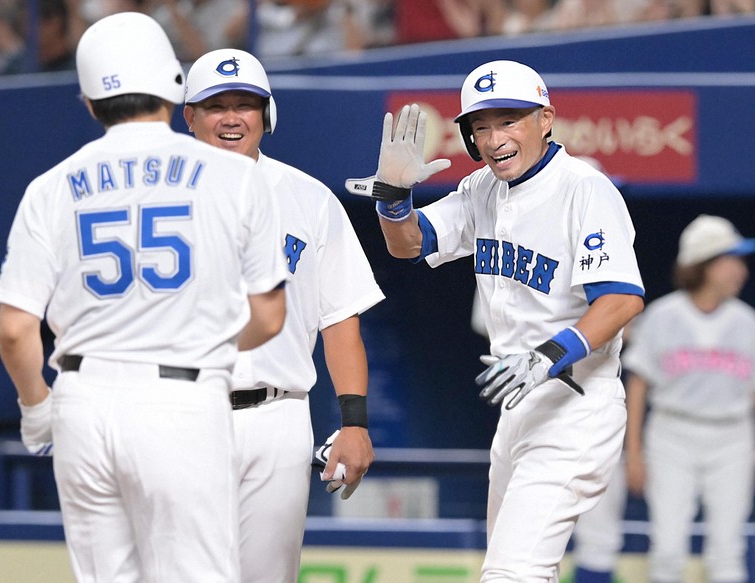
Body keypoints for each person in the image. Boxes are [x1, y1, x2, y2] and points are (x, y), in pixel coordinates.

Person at [0, 12, 287, 582]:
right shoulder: (235, 176)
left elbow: (13, 330)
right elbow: (269, 316)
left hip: (82, 399)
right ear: (176, 87)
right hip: (181, 396)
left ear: (88, 101)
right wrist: (201, 340)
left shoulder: (49, 186)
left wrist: (36, 410)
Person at [346, 59, 645, 582]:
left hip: (577, 405)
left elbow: (621, 299)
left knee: (512, 574)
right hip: (518, 408)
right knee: (521, 569)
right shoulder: (481, 187)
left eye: (509, 120)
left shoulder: (584, 188)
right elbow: (410, 245)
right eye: (479, 126)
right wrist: (393, 200)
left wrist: (548, 355)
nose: (493, 138)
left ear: (545, 119)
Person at [183, 48, 385, 582]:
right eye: (215, 106)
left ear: (266, 115)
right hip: (180, 410)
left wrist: (354, 423)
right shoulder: (162, 195)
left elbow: (341, 318)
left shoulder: (309, 199)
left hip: (276, 415)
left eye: (245, 105)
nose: (232, 118)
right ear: (190, 117)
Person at [624, 214, 755, 583]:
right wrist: (634, 453)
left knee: (728, 551)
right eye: (731, 259)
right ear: (705, 265)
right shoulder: (663, 315)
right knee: (667, 548)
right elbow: (638, 385)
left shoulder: (747, 321)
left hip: (733, 436)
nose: (740, 270)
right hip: (672, 433)